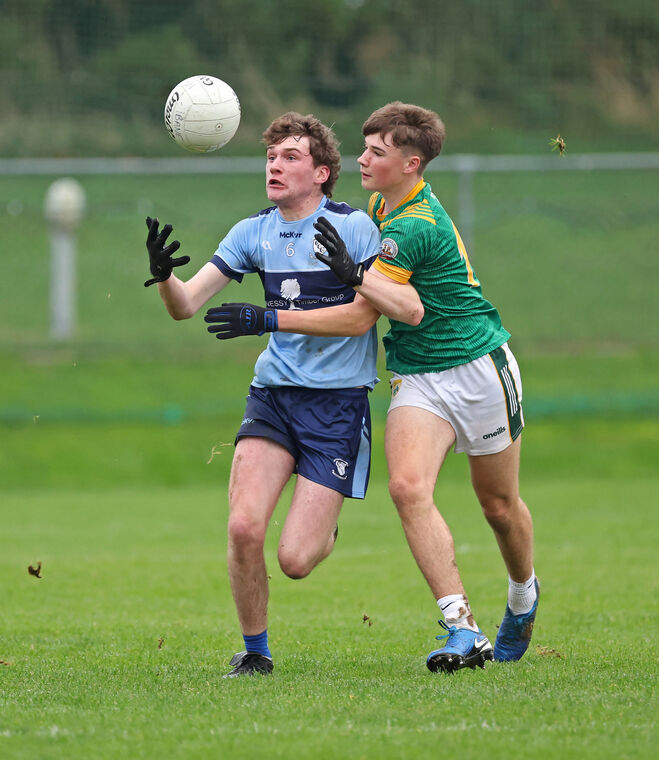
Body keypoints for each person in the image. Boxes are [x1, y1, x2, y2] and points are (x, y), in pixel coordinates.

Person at [208, 102, 539, 674]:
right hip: (416, 375)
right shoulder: (379, 206)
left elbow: (387, 309)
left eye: (376, 152)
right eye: (364, 148)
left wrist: (346, 279)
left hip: (477, 364)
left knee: (500, 507)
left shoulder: (411, 226)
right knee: (408, 489)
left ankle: (522, 595)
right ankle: (462, 628)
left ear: (411, 163)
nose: (361, 158)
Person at [143, 111, 423, 678]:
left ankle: (324, 526)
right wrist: (165, 276)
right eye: (270, 157)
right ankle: (255, 651)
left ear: (321, 172)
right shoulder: (253, 231)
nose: (275, 165)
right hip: (272, 397)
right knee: (244, 526)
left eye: (290, 157)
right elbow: (186, 305)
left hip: (337, 405)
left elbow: (357, 319)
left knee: (295, 560)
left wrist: (270, 317)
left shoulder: (353, 229)